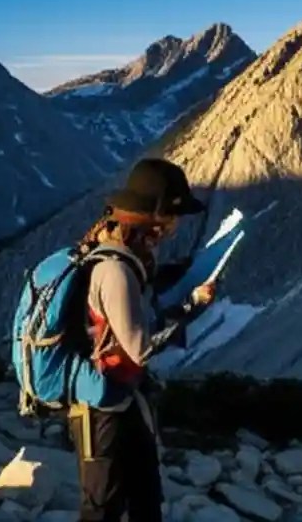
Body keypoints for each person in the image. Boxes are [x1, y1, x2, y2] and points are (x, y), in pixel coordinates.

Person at [67, 158, 214, 522]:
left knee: (143, 496)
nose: (177, 225)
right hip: (101, 405)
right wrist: (192, 305)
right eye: (175, 216)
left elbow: (138, 295)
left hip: (119, 397)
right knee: (103, 507)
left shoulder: (123, 253)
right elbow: (141, 347)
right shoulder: (115, 269)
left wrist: (179, 274)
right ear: (159, 216)